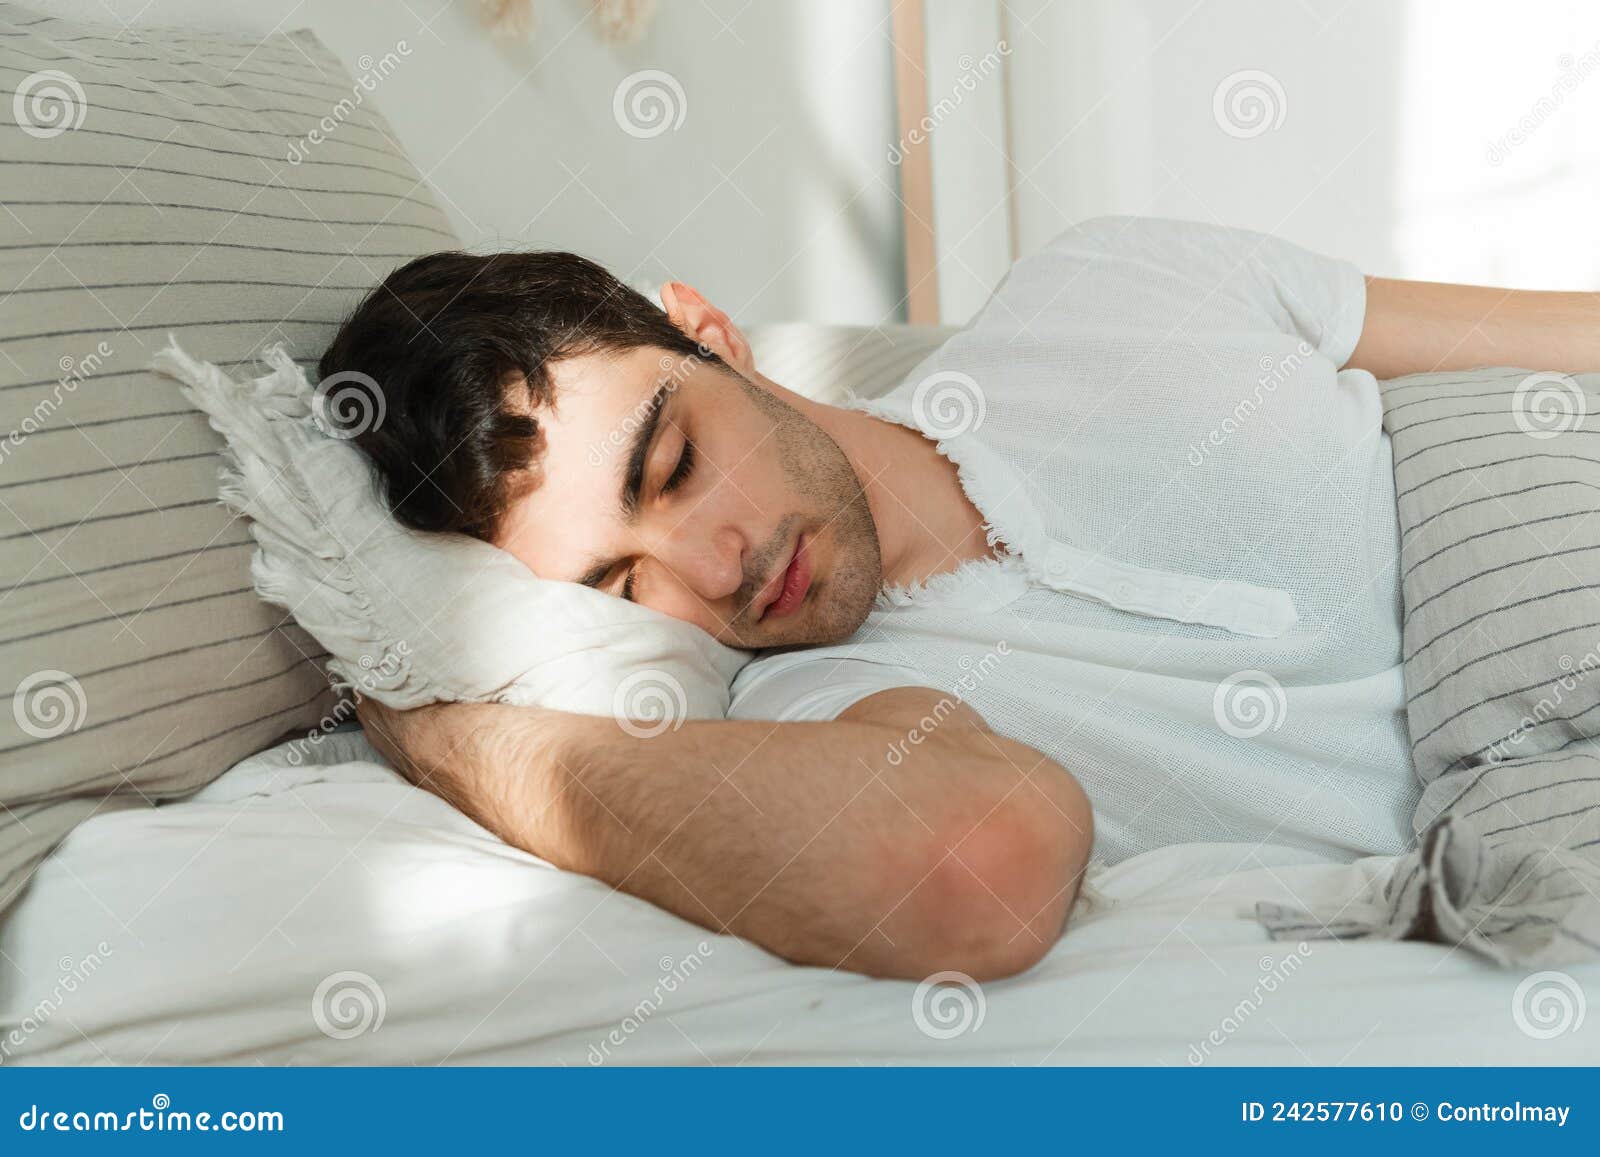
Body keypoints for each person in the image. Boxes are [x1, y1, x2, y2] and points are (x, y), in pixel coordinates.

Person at [326, 216, 1600, 980]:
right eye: (622, 583)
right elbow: (968, 864)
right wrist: (450, 733)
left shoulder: (1117, 284)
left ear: (709, 332)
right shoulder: (828, 701)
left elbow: (1566, 342)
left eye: (676, 462)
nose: (714, 567)